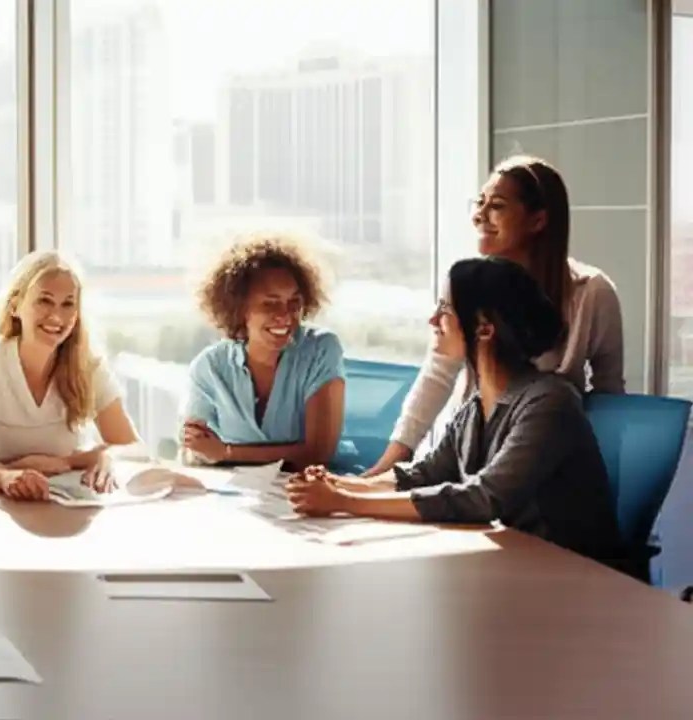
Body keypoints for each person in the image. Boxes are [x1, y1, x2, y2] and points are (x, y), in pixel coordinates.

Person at [287, 257, 624, 562]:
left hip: (570, 578)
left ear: (485, 328)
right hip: (511, 566)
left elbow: (483, 498)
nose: (434, 319)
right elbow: (424, 475)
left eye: (445, 309)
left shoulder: (549, 402)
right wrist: (340, 485)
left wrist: (344, 503)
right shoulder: (475, 406)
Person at [365, 155, 625, 476]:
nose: (480, 216)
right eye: (479, 202)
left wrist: (602, 484)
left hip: (542, 463)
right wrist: (388, 464)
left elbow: (610, 395)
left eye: (497, 206)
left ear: (538, 220)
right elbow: (438, 373)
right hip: (471, 455)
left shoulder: (593, 293)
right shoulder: (467, 283)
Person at [0, 251, 141, 501]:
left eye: (68, 304)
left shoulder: (89, 368)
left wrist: (70, 461)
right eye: (44, 301)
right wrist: (8, 477)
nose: (56, 317)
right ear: (15, 305)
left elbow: (133, 447)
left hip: (65, 505)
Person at [181, 231, 350, 471]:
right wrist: (199, 451)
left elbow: (317, 453)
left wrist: (226, 452)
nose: (285, 316)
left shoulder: (321, 349)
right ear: (239, 309)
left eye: (294, 303)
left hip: (309, 493)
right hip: (233, 495)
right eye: (270, 304)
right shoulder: (209, 366)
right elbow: (194, 450)